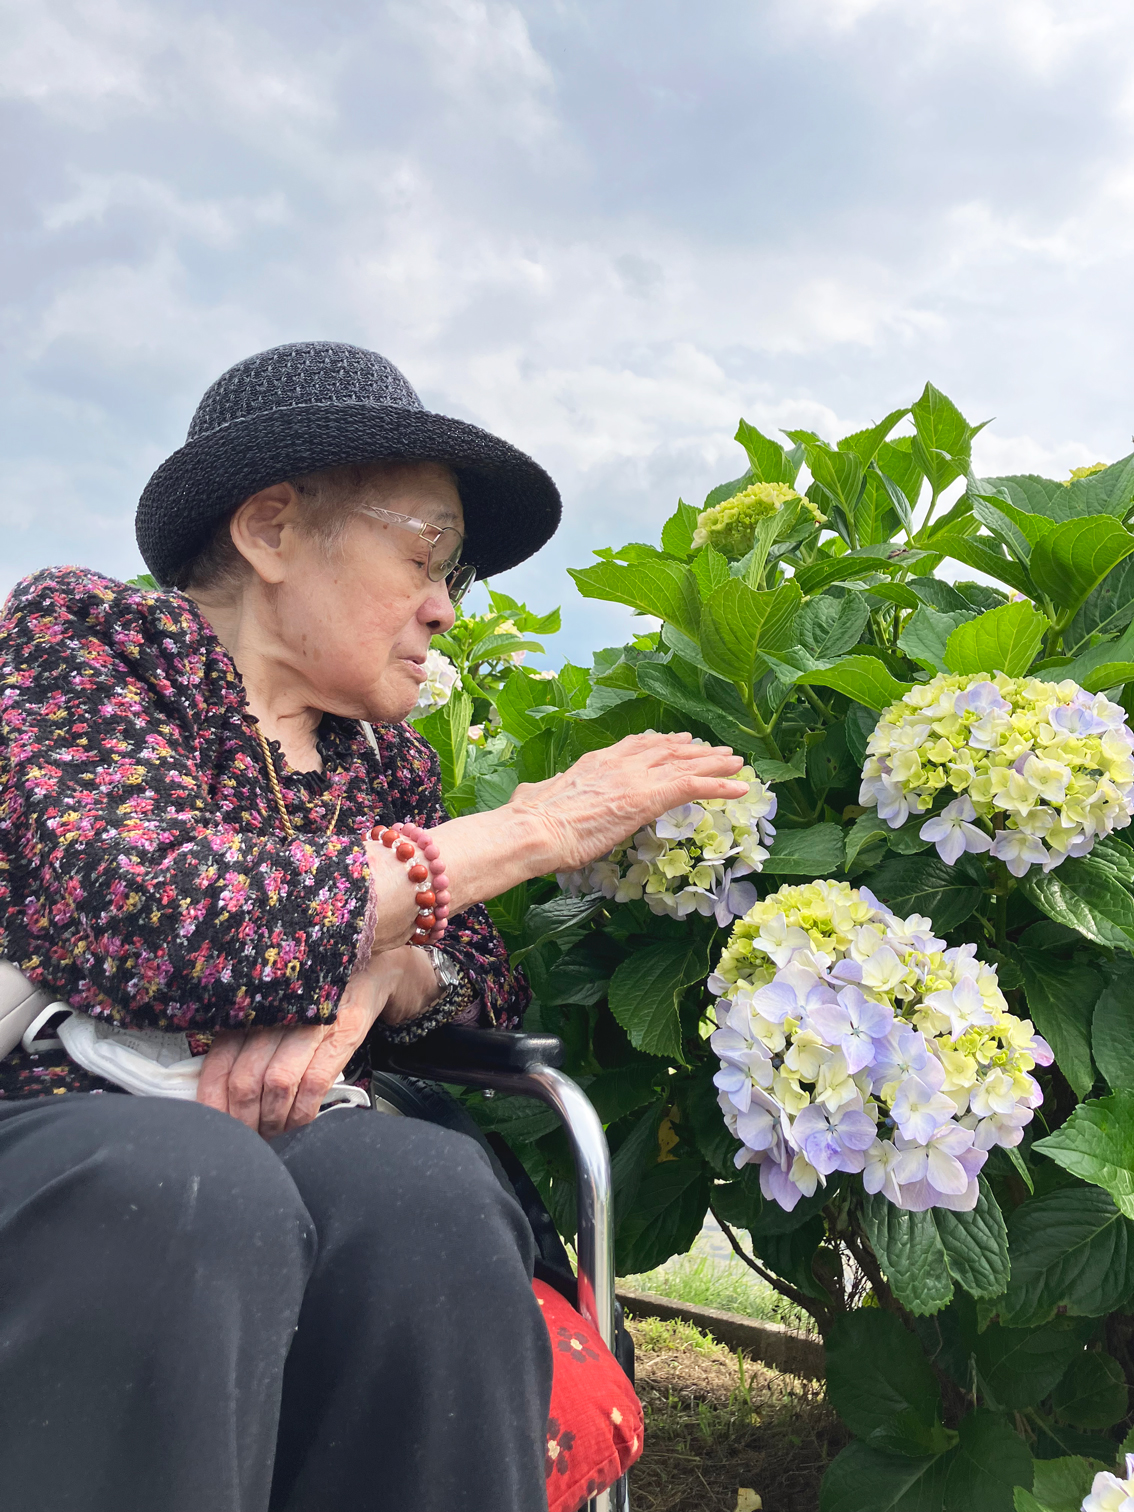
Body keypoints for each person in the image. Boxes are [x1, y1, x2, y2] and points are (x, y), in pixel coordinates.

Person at [0, 341, 746, 1512]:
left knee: (429, 1194)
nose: (447, 607)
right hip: (54, 1117)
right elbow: (146, 908)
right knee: (194, 1186)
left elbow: (484, 981)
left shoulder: (378, 754)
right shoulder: (93, 641)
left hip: (300, 1124)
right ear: (274, 530)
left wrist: (378, 973)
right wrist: (536, 829)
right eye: (427, 554)